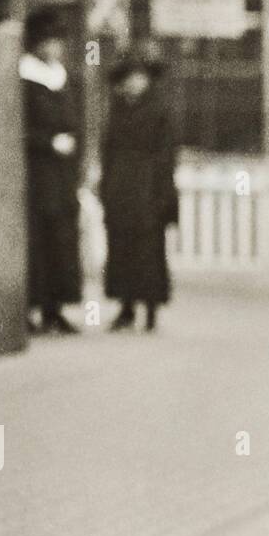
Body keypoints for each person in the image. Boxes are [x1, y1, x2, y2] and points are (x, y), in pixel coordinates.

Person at [100, 48, 178, 332]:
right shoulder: (117, 110)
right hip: (121, 186)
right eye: (130, 78)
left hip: (148, 187)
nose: (135, 83)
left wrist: (162, 193)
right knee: (121, 247)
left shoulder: (159, 111)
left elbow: (167, 155)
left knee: (149, 249)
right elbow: (107, 150)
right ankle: (126, 307)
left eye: (140, 78)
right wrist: (106, 186)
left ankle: (151, 310)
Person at [20, 9, 82, 333]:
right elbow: (18, 127)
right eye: (50, 42)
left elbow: (75, 124)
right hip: (35, 171)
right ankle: (31, 307)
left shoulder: (62, 78)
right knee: (37, 239)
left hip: (61, 175)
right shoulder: (25, 80)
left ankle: (54, 307)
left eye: (58, 42)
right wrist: (48, 143)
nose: (56, 49)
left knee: (60, 238)